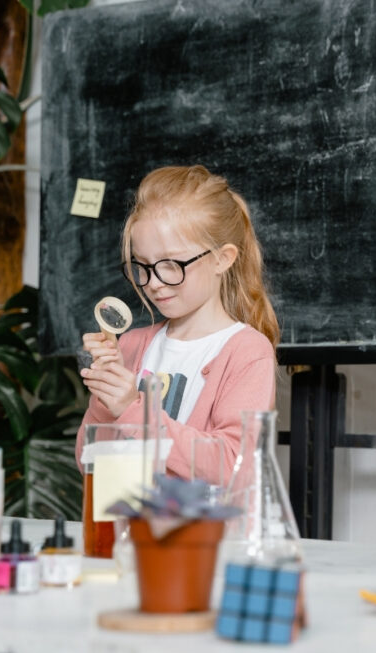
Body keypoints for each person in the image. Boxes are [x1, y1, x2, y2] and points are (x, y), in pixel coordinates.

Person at [75, 165, 279, 485]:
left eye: (171, 265)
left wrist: (132, 409)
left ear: (222, 259)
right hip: (129, 530)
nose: (154, 283)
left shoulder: (247, 352)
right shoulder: (130, 345)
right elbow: (92, 467)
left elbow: (233, 466)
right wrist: (105, 400)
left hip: (201, 534)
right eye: (142, 266)